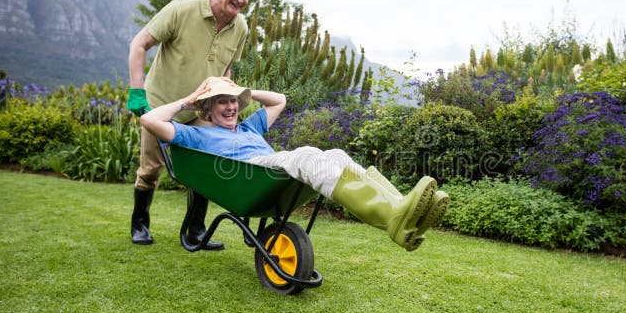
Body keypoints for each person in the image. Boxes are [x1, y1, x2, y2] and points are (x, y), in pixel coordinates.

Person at [140, 77, 450, 251]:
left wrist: (237, 87)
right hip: (249, 173)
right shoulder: (195, 136)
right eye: (223, 101)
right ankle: (395, 217)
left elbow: (279, 99)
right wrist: (191, 97)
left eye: (234, 101)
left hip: (266, 173)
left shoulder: (249, 127)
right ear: (207, 107)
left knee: (337, 155)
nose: (232, 106)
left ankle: (400, 209)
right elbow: (149, 119)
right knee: (304, 155)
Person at [125, 0, 258, 249]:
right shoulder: (182, 9)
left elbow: (225, 71)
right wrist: (137, 91)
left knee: (206, 168)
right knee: (150, 169)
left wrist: (222, 104)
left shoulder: (240, 28)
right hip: (160, 106)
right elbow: (139, 44)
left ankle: (195, 231)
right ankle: (140, 225)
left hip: (199, 110)